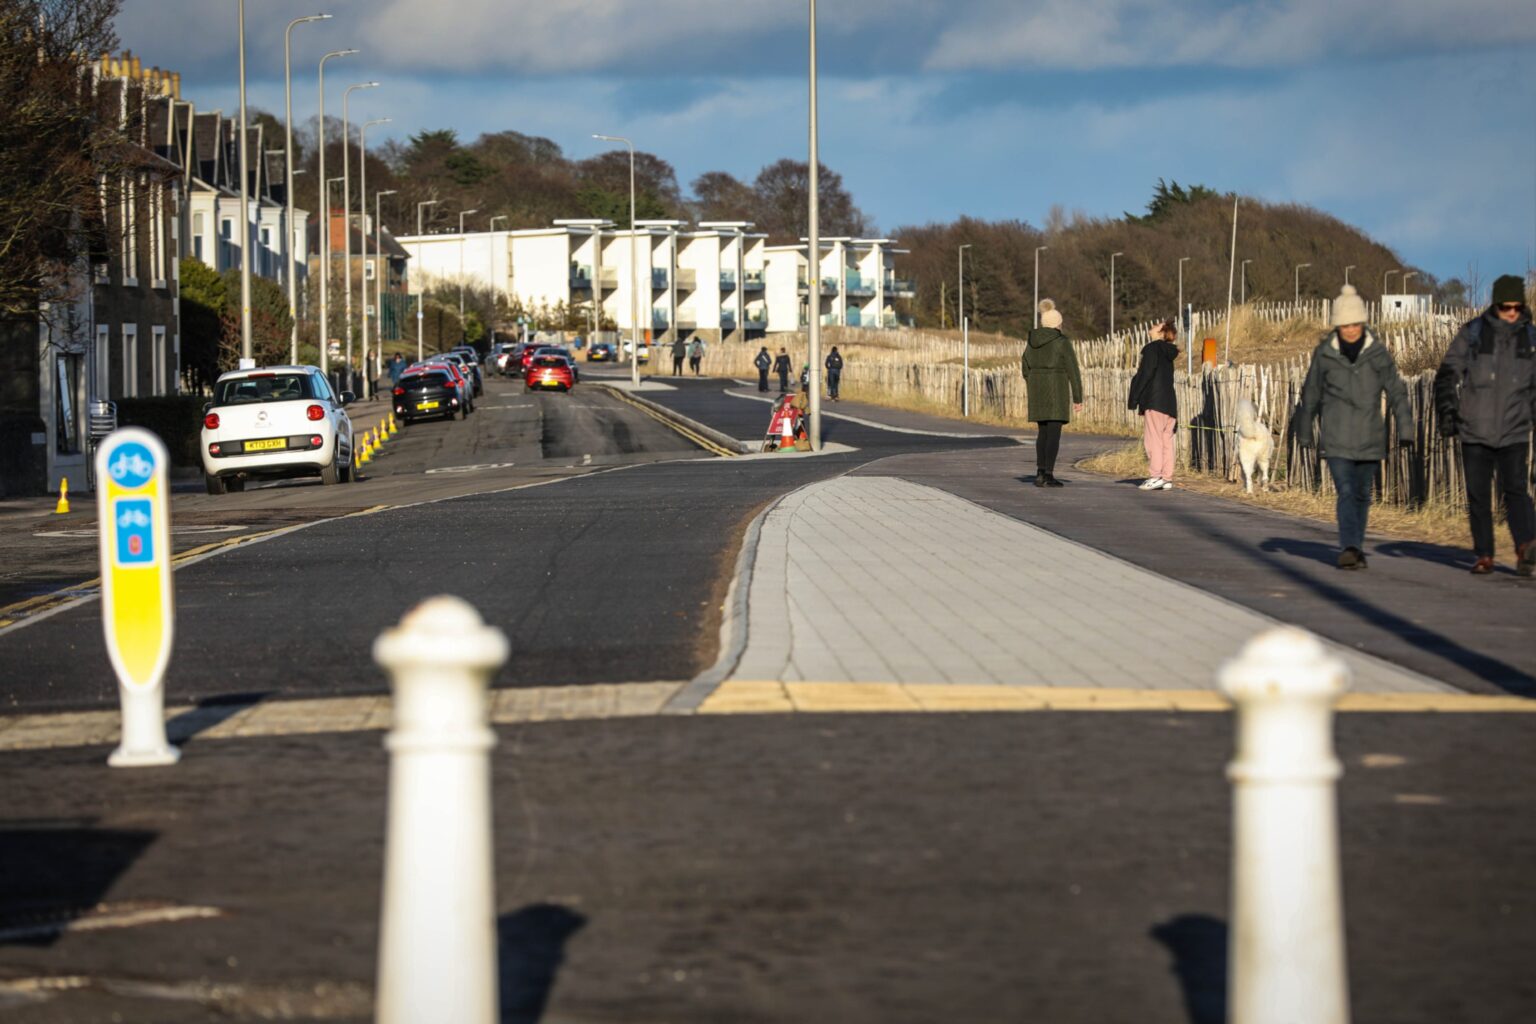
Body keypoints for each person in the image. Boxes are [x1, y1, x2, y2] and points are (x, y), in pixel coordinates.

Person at [1292, 284, 1415, 571]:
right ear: (1337, 325)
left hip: (1370, 436)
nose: (1349, 330)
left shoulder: (1378, 353)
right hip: (1337, 438)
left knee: (1362, 494)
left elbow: (1396, 391)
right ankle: (1349, 546)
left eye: (1354, 324)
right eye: (1344, 325)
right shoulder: (1325, 354)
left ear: (1363, 323)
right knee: (1346, 491)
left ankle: (1356, 546)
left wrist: (1406, 427)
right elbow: (1310, 394)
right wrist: (1305, 430)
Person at [1433, 274, 1536, 576]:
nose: (1512, 313)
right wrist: (1449, 412)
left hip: (1515, 429)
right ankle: (1484, 554)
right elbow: (1447, 373)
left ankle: (1526, 548)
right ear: (1496, 305)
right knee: (1478, 494)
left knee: (1516, 490)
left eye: (1518, 307)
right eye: (1506, 307)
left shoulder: (1530, 339)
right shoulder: (1473, 333)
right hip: (1475, 428)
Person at [1021, 299, 1083, 487]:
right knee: (1054, 433)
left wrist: (1033, 380)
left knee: (1042, 432)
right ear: (1057, 324)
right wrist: (1078, 397)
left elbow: (1025, 366)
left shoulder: (1032, 341)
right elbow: (1073, 369)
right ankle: (1048, 474)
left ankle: (1039, 472)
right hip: (1056, 389)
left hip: (1037, 389)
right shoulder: (1061, 342)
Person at [1127, 320, 1179, 490]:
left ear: (1162, 333)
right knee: (1166, 441)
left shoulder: (1152, 349)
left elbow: (1145, 374)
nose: (1154, 325)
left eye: (1158, 325)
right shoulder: (1168, 353)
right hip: (1169, 403)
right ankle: (1167, 477)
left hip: (1155, 401)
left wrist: (1134, 398)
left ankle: (1155, 475)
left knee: (1153, 440)